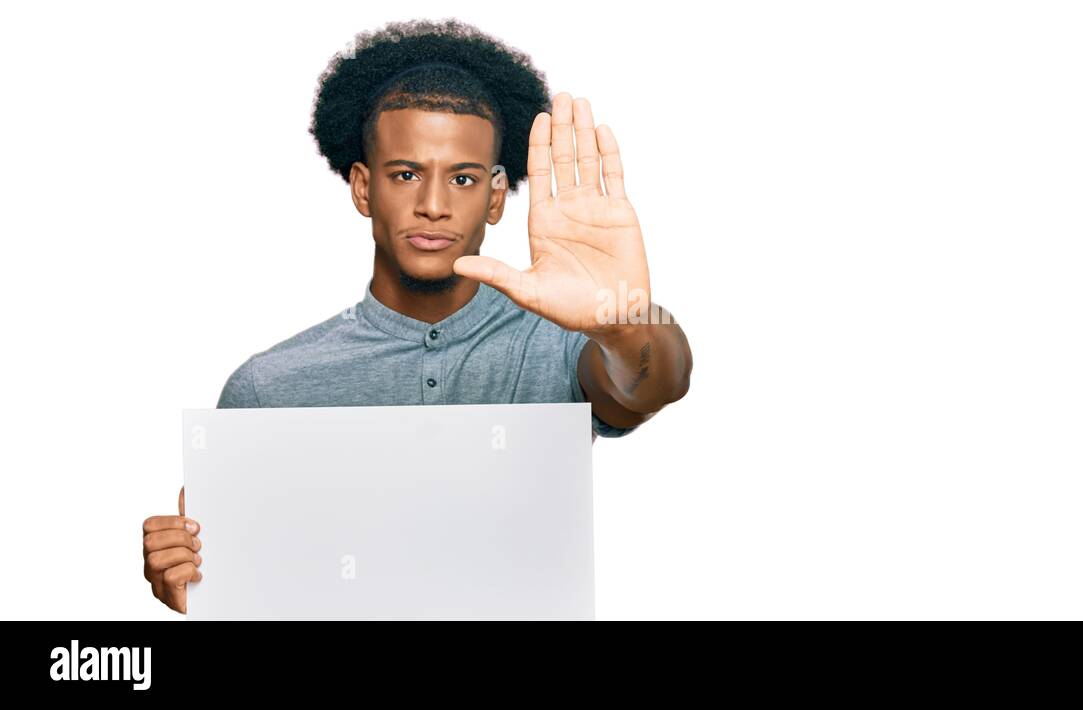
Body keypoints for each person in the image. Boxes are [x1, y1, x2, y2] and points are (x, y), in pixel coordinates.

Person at [142, 18, 692, 614]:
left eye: (463, 178)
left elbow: (656, 383)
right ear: (362, 188)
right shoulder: (266, 387)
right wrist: (196, 580)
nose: (432, 205)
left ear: (496, 197)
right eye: (406, 174)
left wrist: (623, 319)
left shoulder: (557, 348)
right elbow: (245, 592)